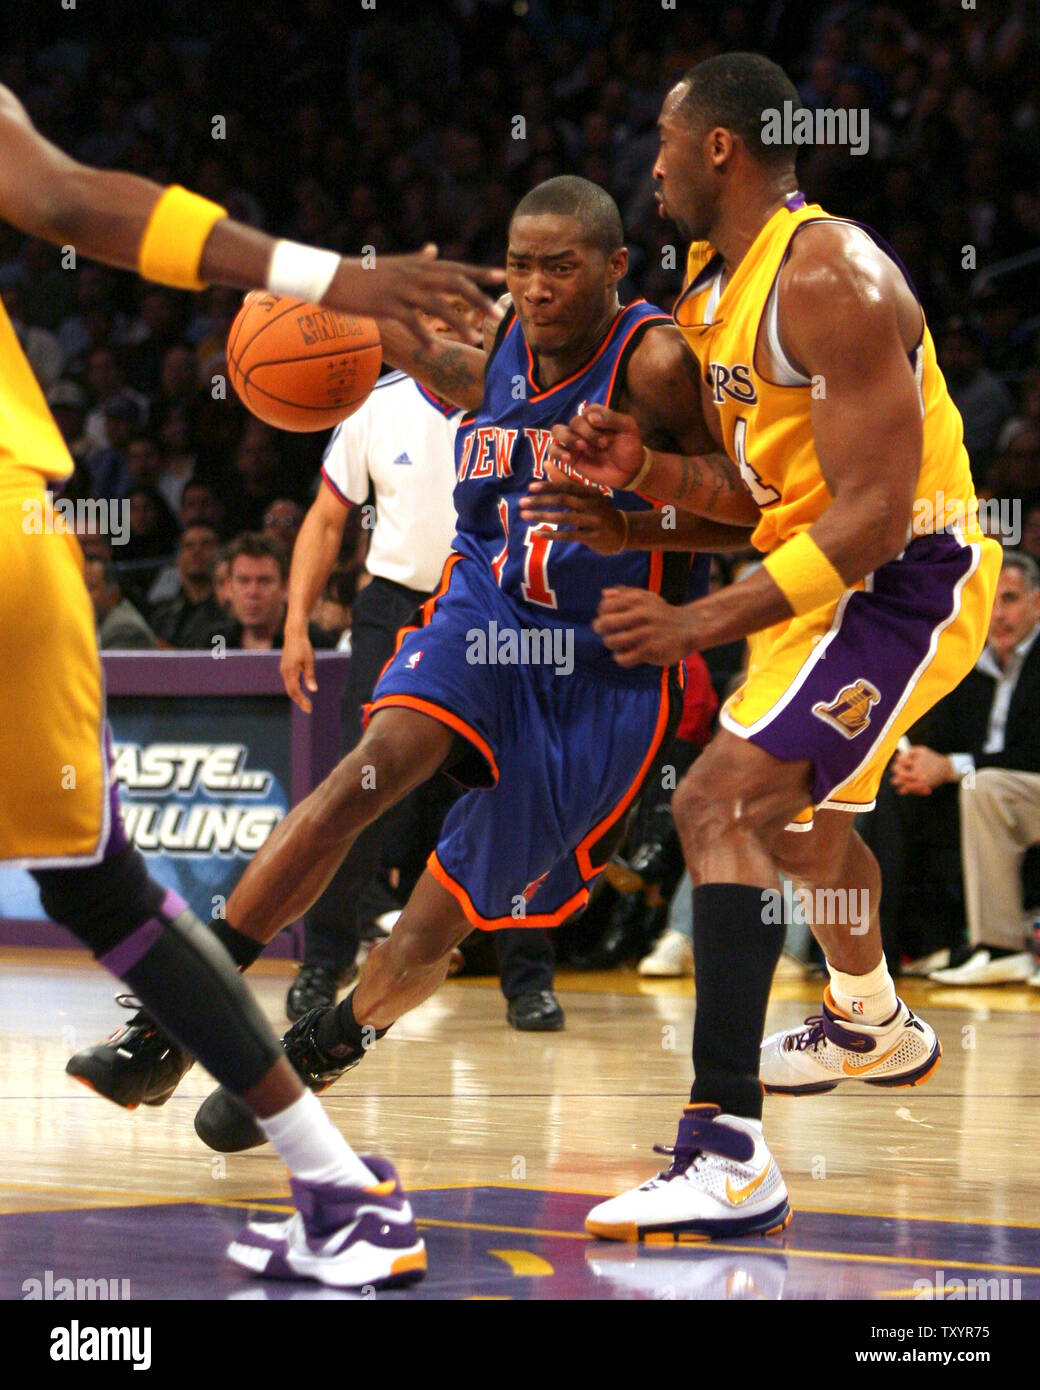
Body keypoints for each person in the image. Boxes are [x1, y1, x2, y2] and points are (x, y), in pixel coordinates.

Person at [69, 176, 758, 1158]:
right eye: (519, 266)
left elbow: (744, 504)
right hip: (481, 616)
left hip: (599, 670)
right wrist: (311, 290)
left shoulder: (651, 363)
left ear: (612, 266)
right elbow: (396, 339)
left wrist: (640, 504)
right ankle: (170, 1023)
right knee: (362, 774)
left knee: (426, 933)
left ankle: (330, 1042)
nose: (535, 286)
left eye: (559, 267)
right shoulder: (494, 360)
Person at [0, 79, 499, 1288]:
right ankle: (331, 1182)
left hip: (529, 631)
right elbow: (72, 201)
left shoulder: (531, 381)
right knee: (104, 887)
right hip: (18, 527)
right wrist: (336, 278)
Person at [544, 54, 1001, 1241]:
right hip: (824, 587)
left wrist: (696, 619)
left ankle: (725, 1147)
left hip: (912, 579)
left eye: (659, 135)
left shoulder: (832, 278)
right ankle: (867, 1020)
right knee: (797, 825)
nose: (644, 163)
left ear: (717, 147)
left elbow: (871, 518)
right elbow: (759, 501)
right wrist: (635, 491)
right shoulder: (708, 290)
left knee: (718, 807)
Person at [280, 320, 565, 1030]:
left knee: (520, 783)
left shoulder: (519, 401)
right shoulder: (375, 403)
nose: (451, 332)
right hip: (397, 605)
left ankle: (529, 980)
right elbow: (324, 519)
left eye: (465, 319)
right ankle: (322, 961)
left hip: (500, 603)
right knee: (364, 782)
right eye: (433, 323)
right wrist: (296, 622)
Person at [921, 551, 1040, 986]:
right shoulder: (971, 662)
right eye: (989, 602)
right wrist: (918, 764)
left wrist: (952, 767)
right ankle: (907, 945)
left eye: (1008, 599)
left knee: (982, 786)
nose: (997, 615)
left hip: (1017, 787)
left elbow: (1032, 754)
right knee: (885, 791)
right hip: (996, 791)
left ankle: (1004, 945)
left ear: (1037, 604)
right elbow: (941, 735)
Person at [83, 557, 158, 650]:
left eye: (90, 588)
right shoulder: (92, 621)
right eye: (79, 585)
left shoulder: (125, 629)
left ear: (114, 595)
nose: (82, 594)